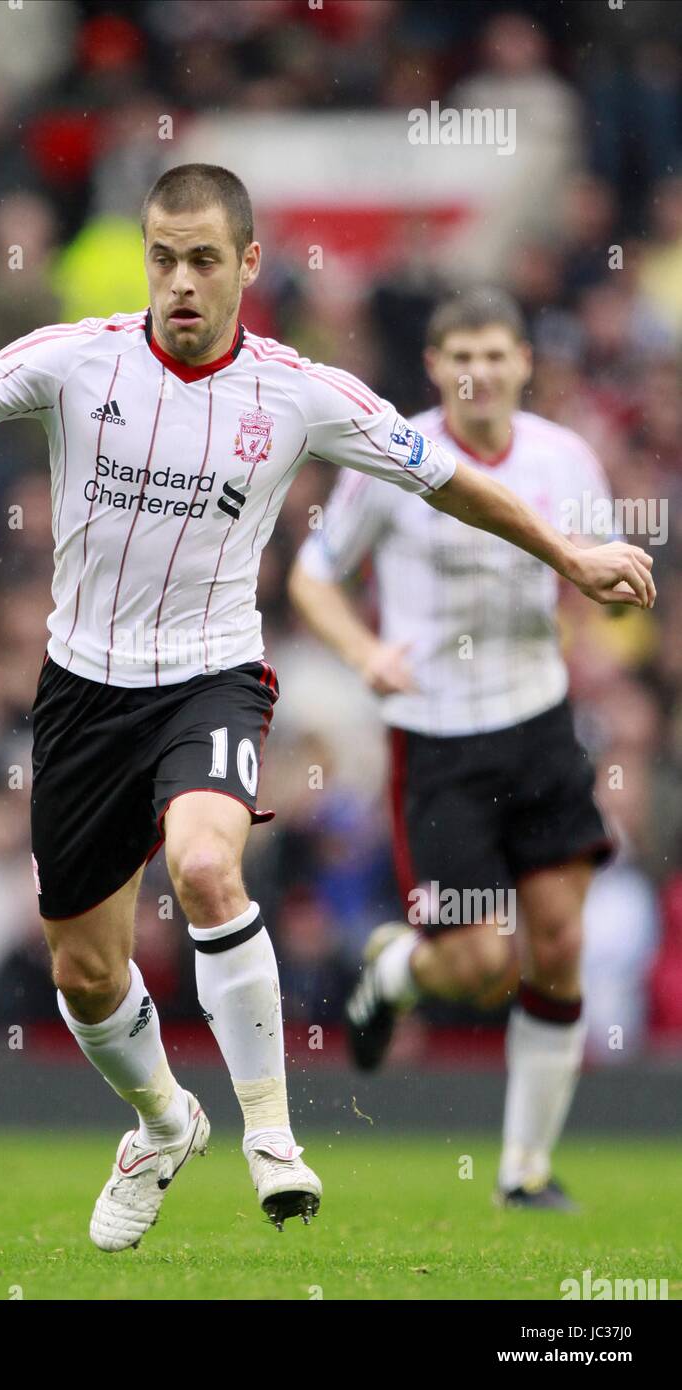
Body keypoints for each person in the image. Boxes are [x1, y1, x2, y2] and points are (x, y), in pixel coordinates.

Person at [0, 168, 655, 1249]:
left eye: (204, 259)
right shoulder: (75, 360)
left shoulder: (301, 392)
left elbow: (443, 477)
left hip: (211, 677)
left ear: (248, 263)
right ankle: (162, 1121)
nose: (181, 281)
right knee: (85, 970)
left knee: (207, 867)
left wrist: (567, 551)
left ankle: (271, 1134)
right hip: (81, 693)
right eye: (163, 257)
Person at [288, 287, 631, 1208]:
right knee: (482, 965)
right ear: (436, 368)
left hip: (540, 723)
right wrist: (366, 652)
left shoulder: (568, 459)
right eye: (460, 357)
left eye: (495, 354)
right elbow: (312, 578)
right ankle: (395, 971)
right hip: (438, 741)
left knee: (558, 940)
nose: (479, 372)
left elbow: (598, 567)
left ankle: (523, 1170)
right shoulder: (393, 457)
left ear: (525, 362)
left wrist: (611, 588)